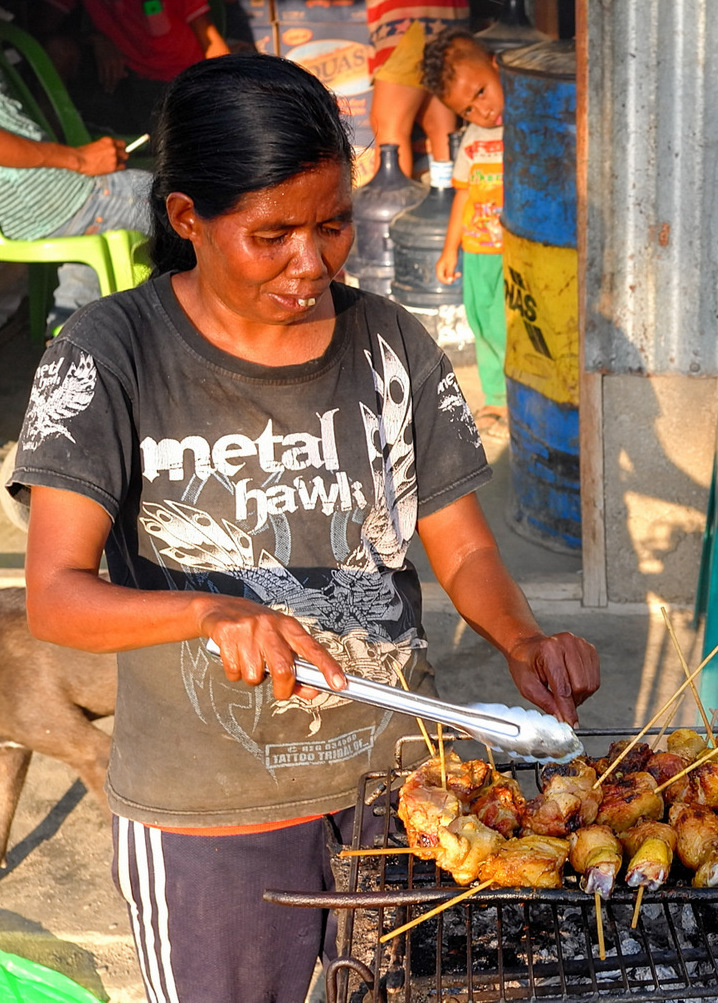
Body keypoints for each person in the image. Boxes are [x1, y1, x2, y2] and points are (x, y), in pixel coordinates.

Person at [7, 52, 597, 1003]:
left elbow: (465, 544)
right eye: (272, 234)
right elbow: (55, 595)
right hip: (209, 812)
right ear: (187, 217)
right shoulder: (109, 355)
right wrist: (205, 615)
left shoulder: (391, 343)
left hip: (402, 786)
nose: (313, 264)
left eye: (332, 226)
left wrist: (520, 636)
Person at [0, 75, 151, 332]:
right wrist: (79, 159)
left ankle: (67, 342)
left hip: (43, 195)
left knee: (99, 243)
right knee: (176, 202)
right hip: (37, 198)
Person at [423, 28, 508, 440]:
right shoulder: (472, 142)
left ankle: (514, 395)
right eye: (468, 110)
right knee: (481, 321)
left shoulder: (526, 129)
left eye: (482, 92)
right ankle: (495, 394)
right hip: (478, 251)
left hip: (514, 252)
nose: (482, 110)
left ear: (496, 66)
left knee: (508, 322)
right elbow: (463, 198)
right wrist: (449, 249)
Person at [32, 0, 228, 135]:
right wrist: (94, 38)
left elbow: (209, 39)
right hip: (130, 82)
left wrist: (228, 89)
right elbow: (42, 30)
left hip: (185, 82)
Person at [366, 0, 470, 180]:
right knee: (442, 131)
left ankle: (393, 207)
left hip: (405, 22)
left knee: (390, 132)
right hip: (447, 21)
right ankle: (449, 201)